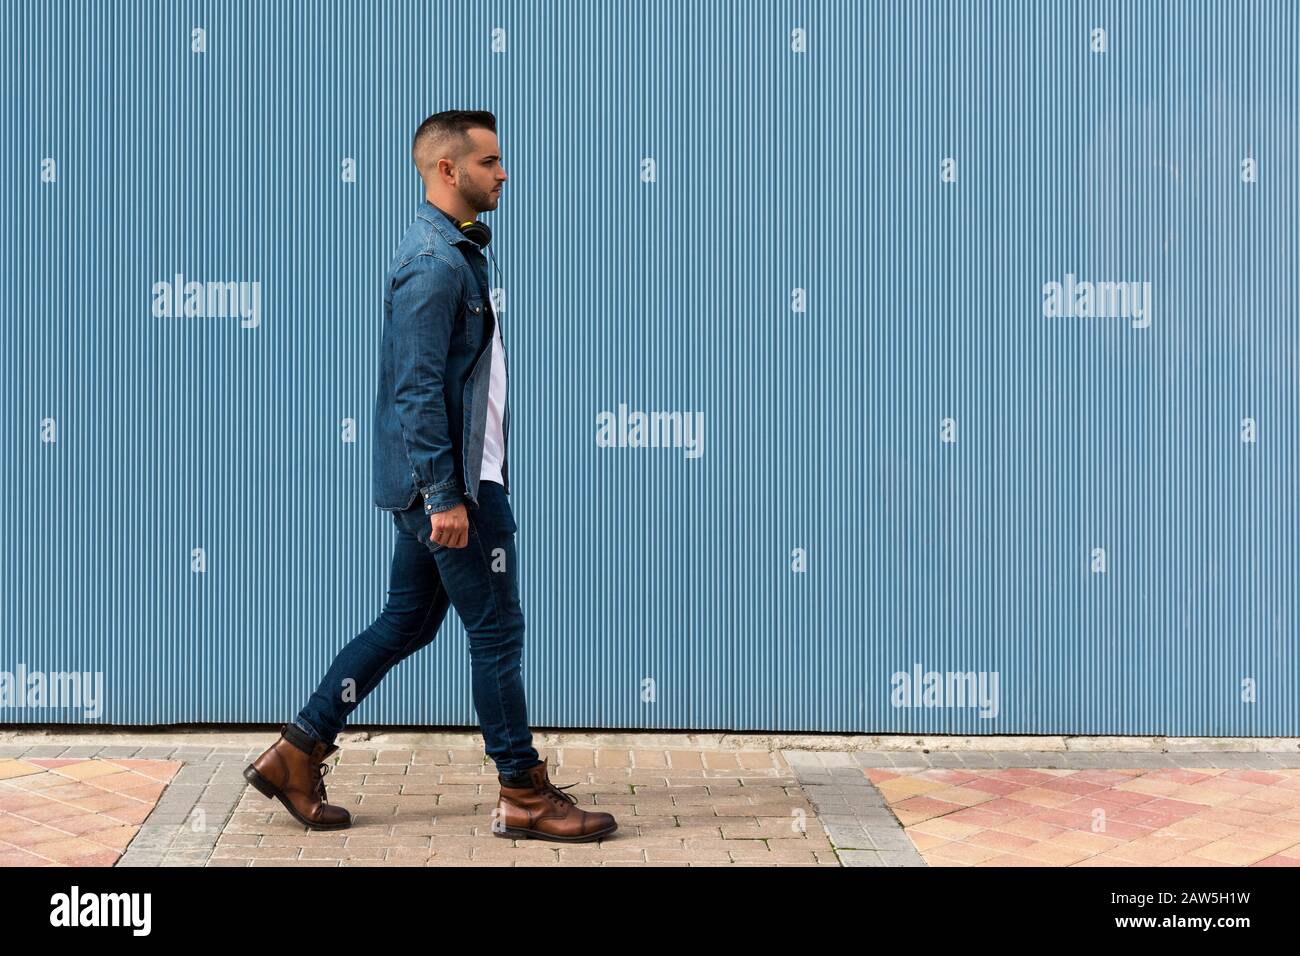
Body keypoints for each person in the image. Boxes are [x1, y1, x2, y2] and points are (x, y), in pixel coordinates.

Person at [243, 110, 616, 844]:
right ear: (449, 170)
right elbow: (413, 389)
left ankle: (297, 750)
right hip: (455, 491)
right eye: (491, 161)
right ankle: (522, 794)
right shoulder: (434, 263)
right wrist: (446, 496)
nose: (504, 173)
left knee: (406, 622)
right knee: (497, 631)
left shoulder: (456, 252)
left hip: (457, 483)